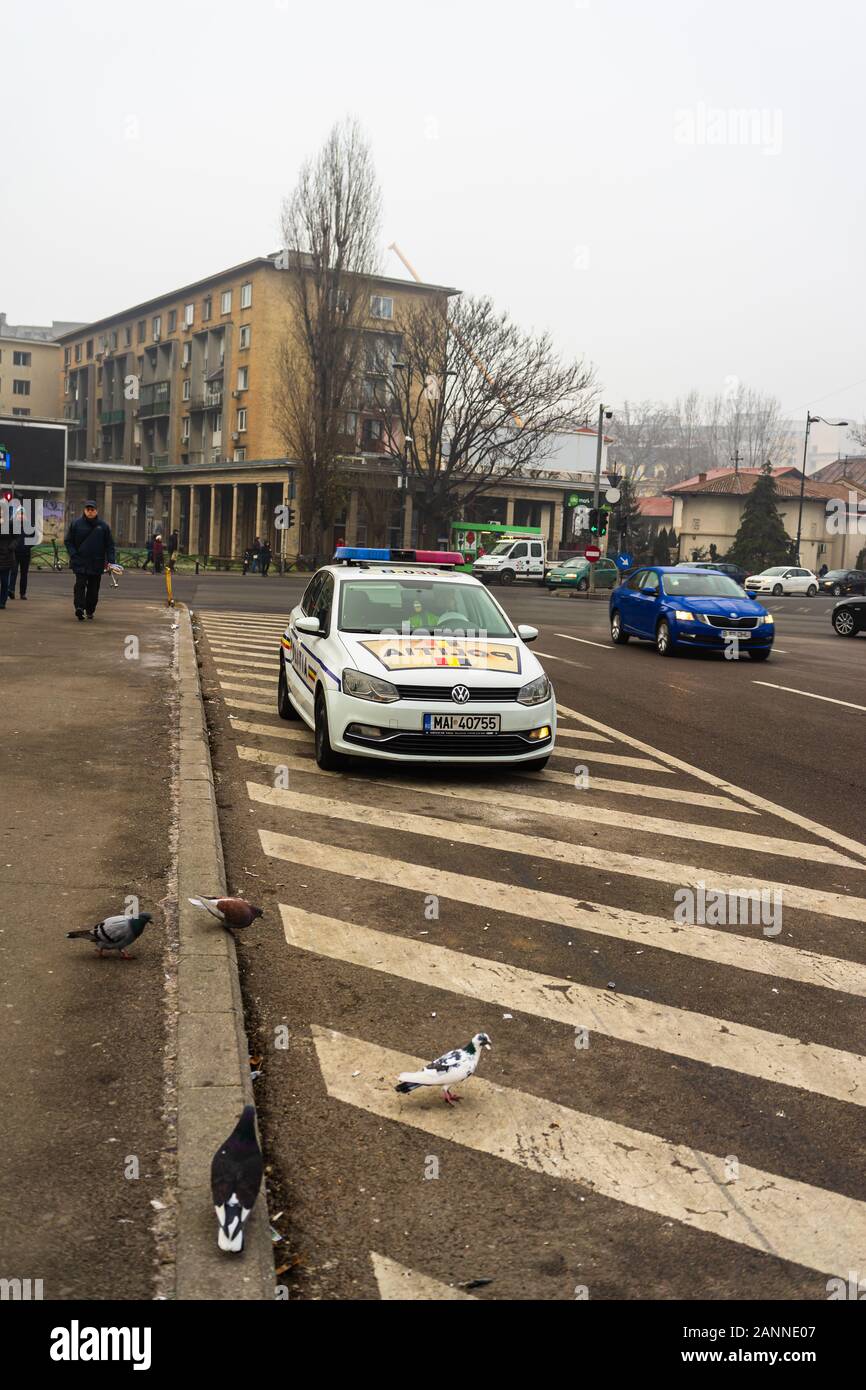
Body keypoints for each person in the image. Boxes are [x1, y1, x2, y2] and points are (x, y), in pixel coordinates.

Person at [64, 499, 116, 620]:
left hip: (97, 562)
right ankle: (79, 608)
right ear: (84, 510)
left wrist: (111, 562)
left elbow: (110, 545)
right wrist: (73, 555)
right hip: (80, 561)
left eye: (92, 509)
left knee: (93, 588)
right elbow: (68, 541)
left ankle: (90, 609)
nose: (90, 512)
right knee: (80, 585)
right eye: (88, 509)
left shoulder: (103, 527)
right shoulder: (76, 524)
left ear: (96, 511)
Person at [7, 502, 32, 600]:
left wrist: (28, 546)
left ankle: (23, 593)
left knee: (24, 574)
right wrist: (11, 547)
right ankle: (11, 591)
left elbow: (35, 537)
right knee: (13, 572)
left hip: (25, 553)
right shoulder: (12, 524)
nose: (21, 516)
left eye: (23, 514)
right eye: (19, 514)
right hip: (15, 553)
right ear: (16, 515)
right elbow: (8, 538)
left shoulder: (29, 525)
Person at [0, 499, 14, 609]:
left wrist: (11, 547)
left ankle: (2, 601)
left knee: (4, 582)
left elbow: (17, 538)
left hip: (6, 557)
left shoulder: (11, 524)